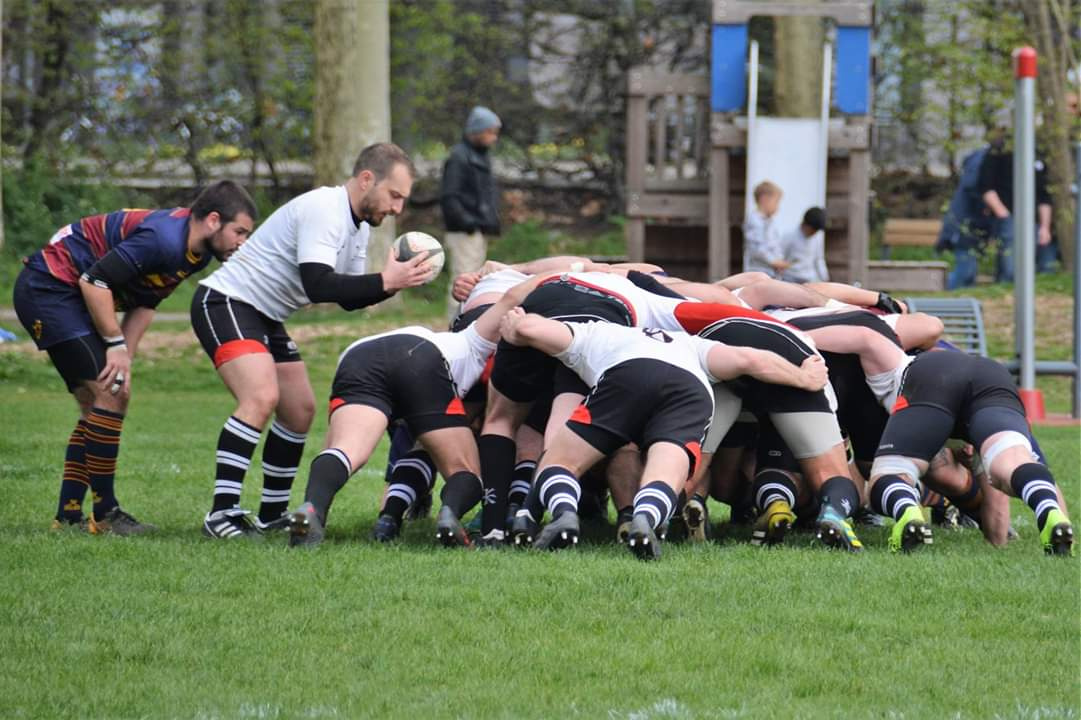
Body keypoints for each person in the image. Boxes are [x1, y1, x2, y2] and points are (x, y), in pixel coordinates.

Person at [191, 143, 434, 540]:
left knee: (300, 410)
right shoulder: (325, 209)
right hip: (227, 301)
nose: (397, 208)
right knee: (260, 398)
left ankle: (271, 514)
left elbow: (346, 297)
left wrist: (391, 283)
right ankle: (221, 514)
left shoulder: (357, 226)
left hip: (263, 314)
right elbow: (318, 283)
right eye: (394, 195)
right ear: (366, 179)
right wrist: (386, 280)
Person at [13, 181, 257, 534]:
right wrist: (115, 344)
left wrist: (123, 356)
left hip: (72, 295)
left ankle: (68, 517)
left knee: (102, 397)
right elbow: (94, 281)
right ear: (213, 220)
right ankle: (106, 515)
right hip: (50, 287)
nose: (242, 242)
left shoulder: (198, 253)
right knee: (110, 393)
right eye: (240, 232)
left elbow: (147, 301)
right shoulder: (163, 240)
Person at [498, 311, 828, 560]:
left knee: (561, 461)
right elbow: (748, 359)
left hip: (628, 373)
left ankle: (564, 512)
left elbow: (532, 330)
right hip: (690, 389)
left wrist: (516, 323)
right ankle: (646, 517)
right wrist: (803, 377)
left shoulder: (596, 331)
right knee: (666, 469)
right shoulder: (690, 342)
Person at [286, 275, 537, 548]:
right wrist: (563, 271)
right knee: (465, 470)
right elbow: (511, 297)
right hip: (421, 360)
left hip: (357, 355)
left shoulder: (452, 333)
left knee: (346, 450)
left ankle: (313, 507)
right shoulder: (477, 342)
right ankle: (449, 514)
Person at [869, 350, 1074, 555]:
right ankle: (1049, 508)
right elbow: (999, 497)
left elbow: (869, 338)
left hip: (933, 375)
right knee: (1012, 465)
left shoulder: (892, 361)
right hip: (992, 376)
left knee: (892, 472)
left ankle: (907, 510)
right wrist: (997, 545)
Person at [441, 106, 501, 320]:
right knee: (463, 280)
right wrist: (468, 222)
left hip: (476, 229)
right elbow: (450, 196)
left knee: (475, 281)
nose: (494, 138)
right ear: (477, 130)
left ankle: (468, 323)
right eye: (490, 132)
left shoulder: (479, 156)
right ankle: (455, 324)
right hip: (464, 231)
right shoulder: (459, 158)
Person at [976, 125, 1055, 282]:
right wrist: (1004, 215)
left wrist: (1045, 227)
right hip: (1009, 217)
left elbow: (1044, 196)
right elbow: (985, 187)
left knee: (1035, 267)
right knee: (1009, 268)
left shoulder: (1037, 154)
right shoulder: (998, 152)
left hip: (1033, 221)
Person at [938, 143, 993, 289]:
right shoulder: (980, 159)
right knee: (965, 271)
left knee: (969, 271)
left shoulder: (979, 158)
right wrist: (986, 205)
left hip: (970, 222)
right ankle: (948, 293)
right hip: (965, 223)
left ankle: (958, 293)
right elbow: (971, 186)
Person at [742, 180, 787, 278]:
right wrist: (773, 261)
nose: (777, 207)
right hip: (758, 273)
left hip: (771, 273)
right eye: (776, 202)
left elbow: (775, 244)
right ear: (764, 199)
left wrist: (779, 259)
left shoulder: (770, 222)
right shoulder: (754, 221)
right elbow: (757, 248)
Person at [780, 206, 828, 284]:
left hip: (809, 279)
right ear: (805, 224)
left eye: (815, 231)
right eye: (812, 230)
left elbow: (819, 259)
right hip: (790, 279)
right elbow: (780, 258)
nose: (813, 233)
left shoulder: (817, 237)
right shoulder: (789, 236)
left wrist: (825, 278)